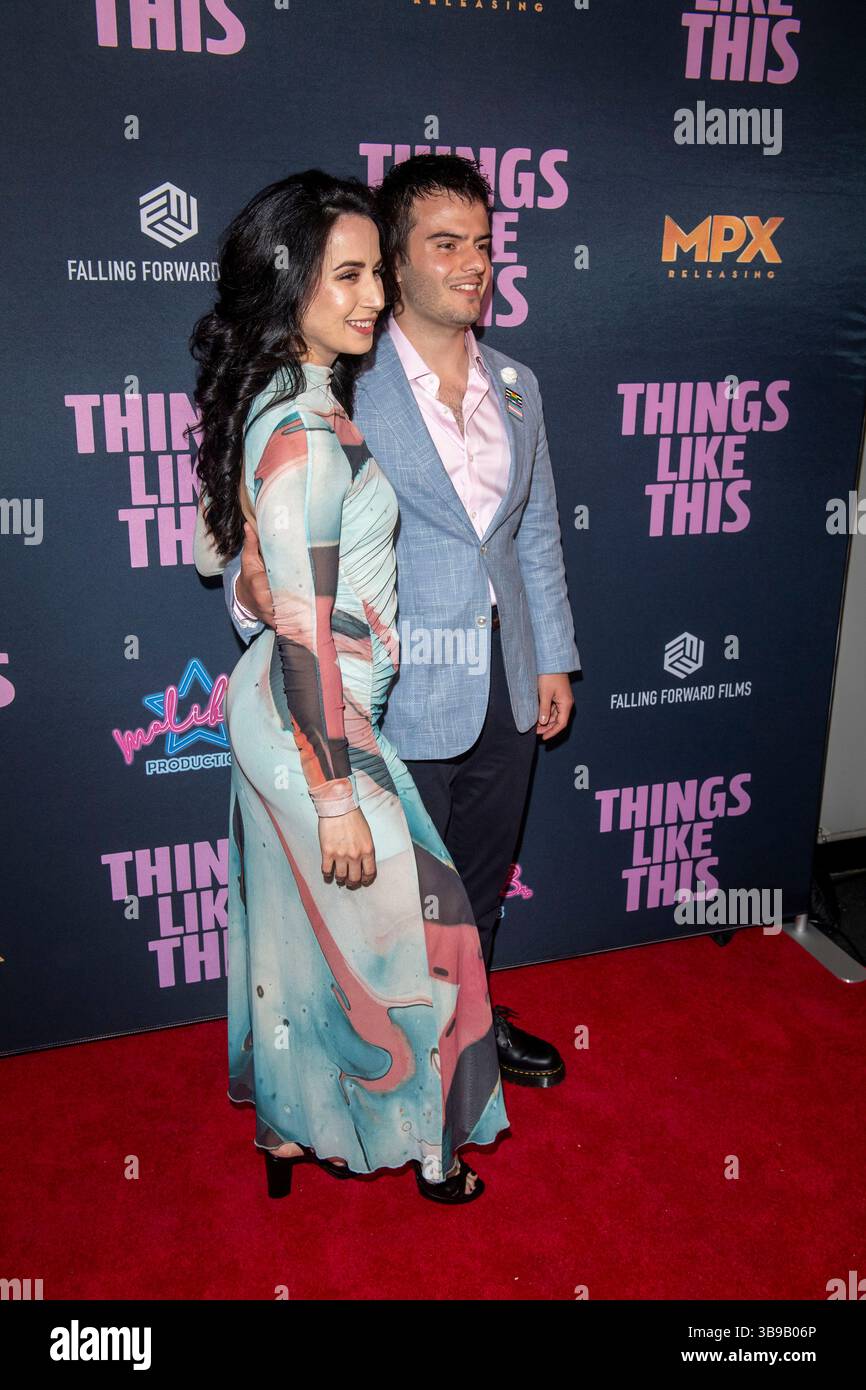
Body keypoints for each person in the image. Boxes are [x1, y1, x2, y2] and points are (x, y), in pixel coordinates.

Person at [223, 155, 580, 1088]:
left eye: (486, 246)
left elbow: (533, 531)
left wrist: (552, 658)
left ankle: (473, 1031)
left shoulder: (518, 385)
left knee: (483, 882)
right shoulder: (344, 377)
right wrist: (256, 597)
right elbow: (258, 530)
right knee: (393, 904)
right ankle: (399, 1066)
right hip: (389, 686)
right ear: (396, 258)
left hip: (504, 676)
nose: (475, 265)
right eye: (446, 245)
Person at [190, 169, 509, 1205]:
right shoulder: (303, 430)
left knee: (297, 932)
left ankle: (286, 1135)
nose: (373, 295)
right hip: (311, 722)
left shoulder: (299, 396)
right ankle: (429, 1147)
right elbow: (301, 633)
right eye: (350, 274)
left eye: (377, 271)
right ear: (289, 283)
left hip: (301, 711)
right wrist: (335, 791)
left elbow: (243, 563)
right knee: (421, 938)